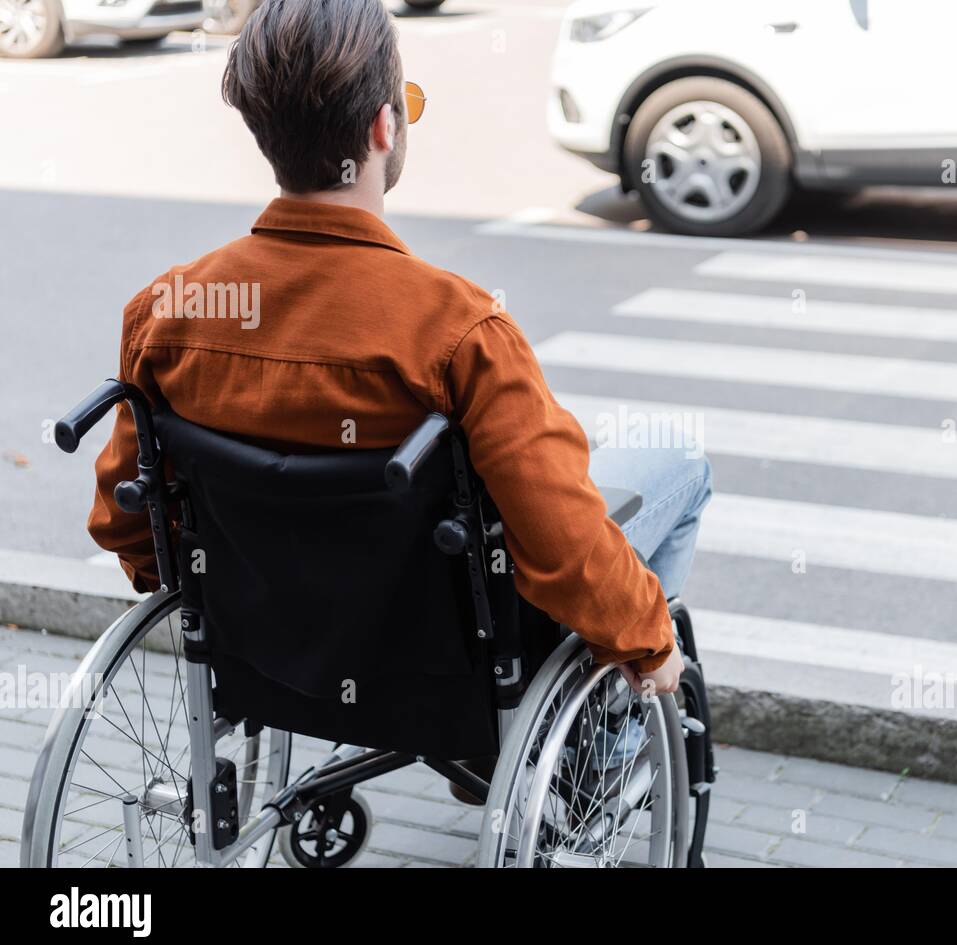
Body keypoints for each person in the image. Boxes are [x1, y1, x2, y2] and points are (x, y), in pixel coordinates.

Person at [86, 0, 711, 707]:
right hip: (446, 671)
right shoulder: (460, 331)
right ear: (385, 126)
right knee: (681, 464)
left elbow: (125, 524)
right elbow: (563, 545)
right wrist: (651, 641)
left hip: (264, 645)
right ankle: (603, 750)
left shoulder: (169, 313)